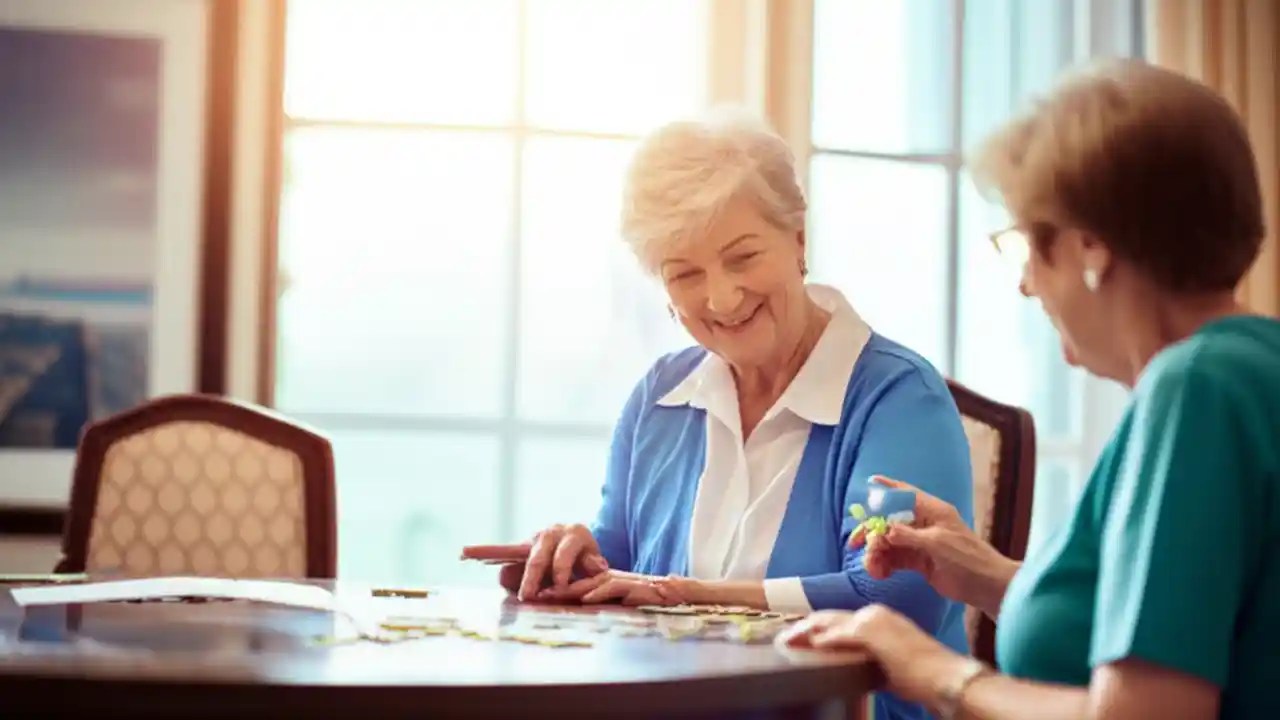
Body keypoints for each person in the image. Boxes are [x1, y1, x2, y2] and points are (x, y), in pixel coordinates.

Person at [780, 59, 1280, 720]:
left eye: (1025, 248)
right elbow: (1193, 626)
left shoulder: (1192, 390)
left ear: (1090, 247)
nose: (1026, 285)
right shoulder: (1252, 367)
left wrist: (932, 669)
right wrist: (982, 573)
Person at [464, 111, 974, 720]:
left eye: (743, 258)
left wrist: (683, 596)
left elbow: (892, 598)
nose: (722, 298)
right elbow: (617, 564)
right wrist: (569, 560)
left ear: (798, 240)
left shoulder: (898, 400)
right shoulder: (660, 396)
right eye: (686, 274)